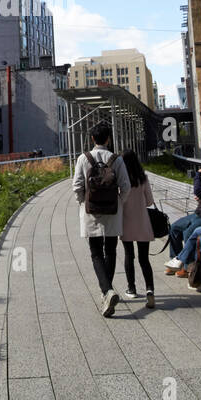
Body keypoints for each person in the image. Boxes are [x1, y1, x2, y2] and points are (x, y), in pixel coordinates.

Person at [72, 123, 132, 317]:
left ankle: (107, 291)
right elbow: (126, 186)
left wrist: (84, 204)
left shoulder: (83, 158)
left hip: (91, 213)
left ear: (92, 139)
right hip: (113, 212)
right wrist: (118, 203)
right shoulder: (117, 160)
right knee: (111, 251)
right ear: (108, 139)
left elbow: (77, 187)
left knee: (96, 252)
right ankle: (107, 291)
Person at [119, 150, 156, 308]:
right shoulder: (143, 178)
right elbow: (149, 202)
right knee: (144, 258)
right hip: (142, 223)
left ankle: (132, 288)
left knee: (129, 256)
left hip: (126, 223)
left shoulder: (121, 181)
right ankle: (150, 290)